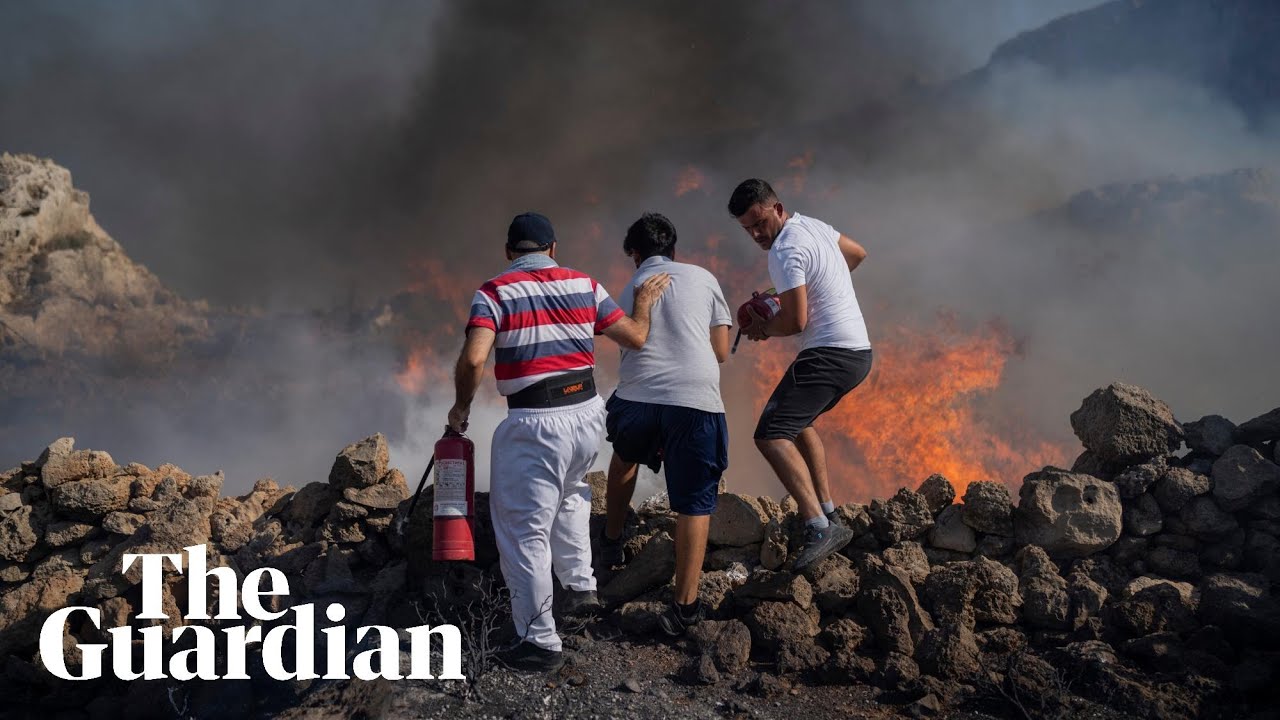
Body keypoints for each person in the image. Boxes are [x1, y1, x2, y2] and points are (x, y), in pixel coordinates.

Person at [448, 212, 670, 672]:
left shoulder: (494, 291)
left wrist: (461, 408)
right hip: (589, 412)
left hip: (535, 421)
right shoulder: (584, 284)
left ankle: (539, 642)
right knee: (572, 494)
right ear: (552, 248)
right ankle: (580, 587)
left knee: (523, 528)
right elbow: (636, 335)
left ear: (509, 252)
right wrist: (645, 302)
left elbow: (473, 362)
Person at [727, 178, 873, 570]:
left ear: (777, 208)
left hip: (829, 351)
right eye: (748, 229)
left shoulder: (785, 249)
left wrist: (763, 329)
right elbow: (857, 254)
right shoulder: (812, 226)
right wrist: (821, 287)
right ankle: (828, 511)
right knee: (797, 422)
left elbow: (796, 320)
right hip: (858, 351)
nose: (757, 234)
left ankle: (818, 525)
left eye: (760, 223)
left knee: (770, 436)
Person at [600, 212, 731, 636]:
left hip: (637, 401)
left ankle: (612, 538)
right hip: (695, 403)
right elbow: (722, 352)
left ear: (635, 255)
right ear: (674, 250)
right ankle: (685, 608)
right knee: (693, 502)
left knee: (624, 458)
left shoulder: (629, 286)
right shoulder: (704, 277)